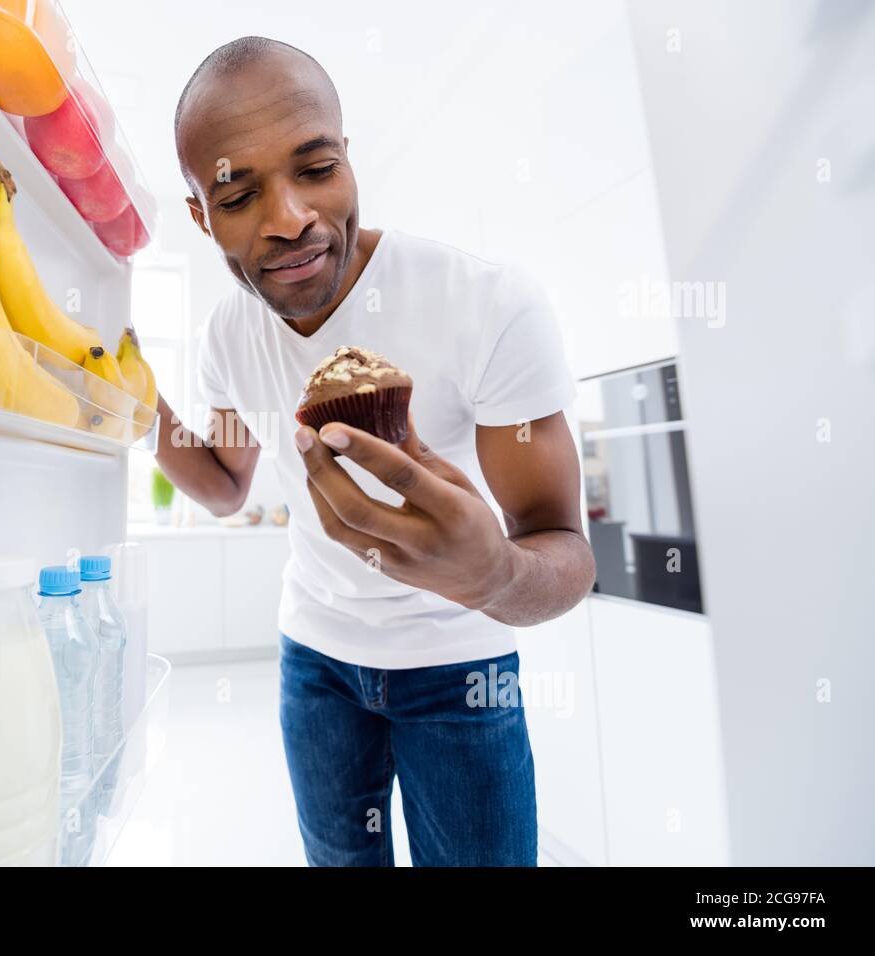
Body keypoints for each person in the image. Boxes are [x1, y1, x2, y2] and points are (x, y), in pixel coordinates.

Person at [152, 36, 596, 866]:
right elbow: (221, 488)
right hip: (314, 664)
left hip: (462, 669)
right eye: (240, 193)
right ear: (200, 217)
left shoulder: (487, 303)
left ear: (347, 159)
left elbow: (567, 553)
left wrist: (493, 573)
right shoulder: (227, 334)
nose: (291, 219)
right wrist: (139, 402)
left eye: (315, 170)